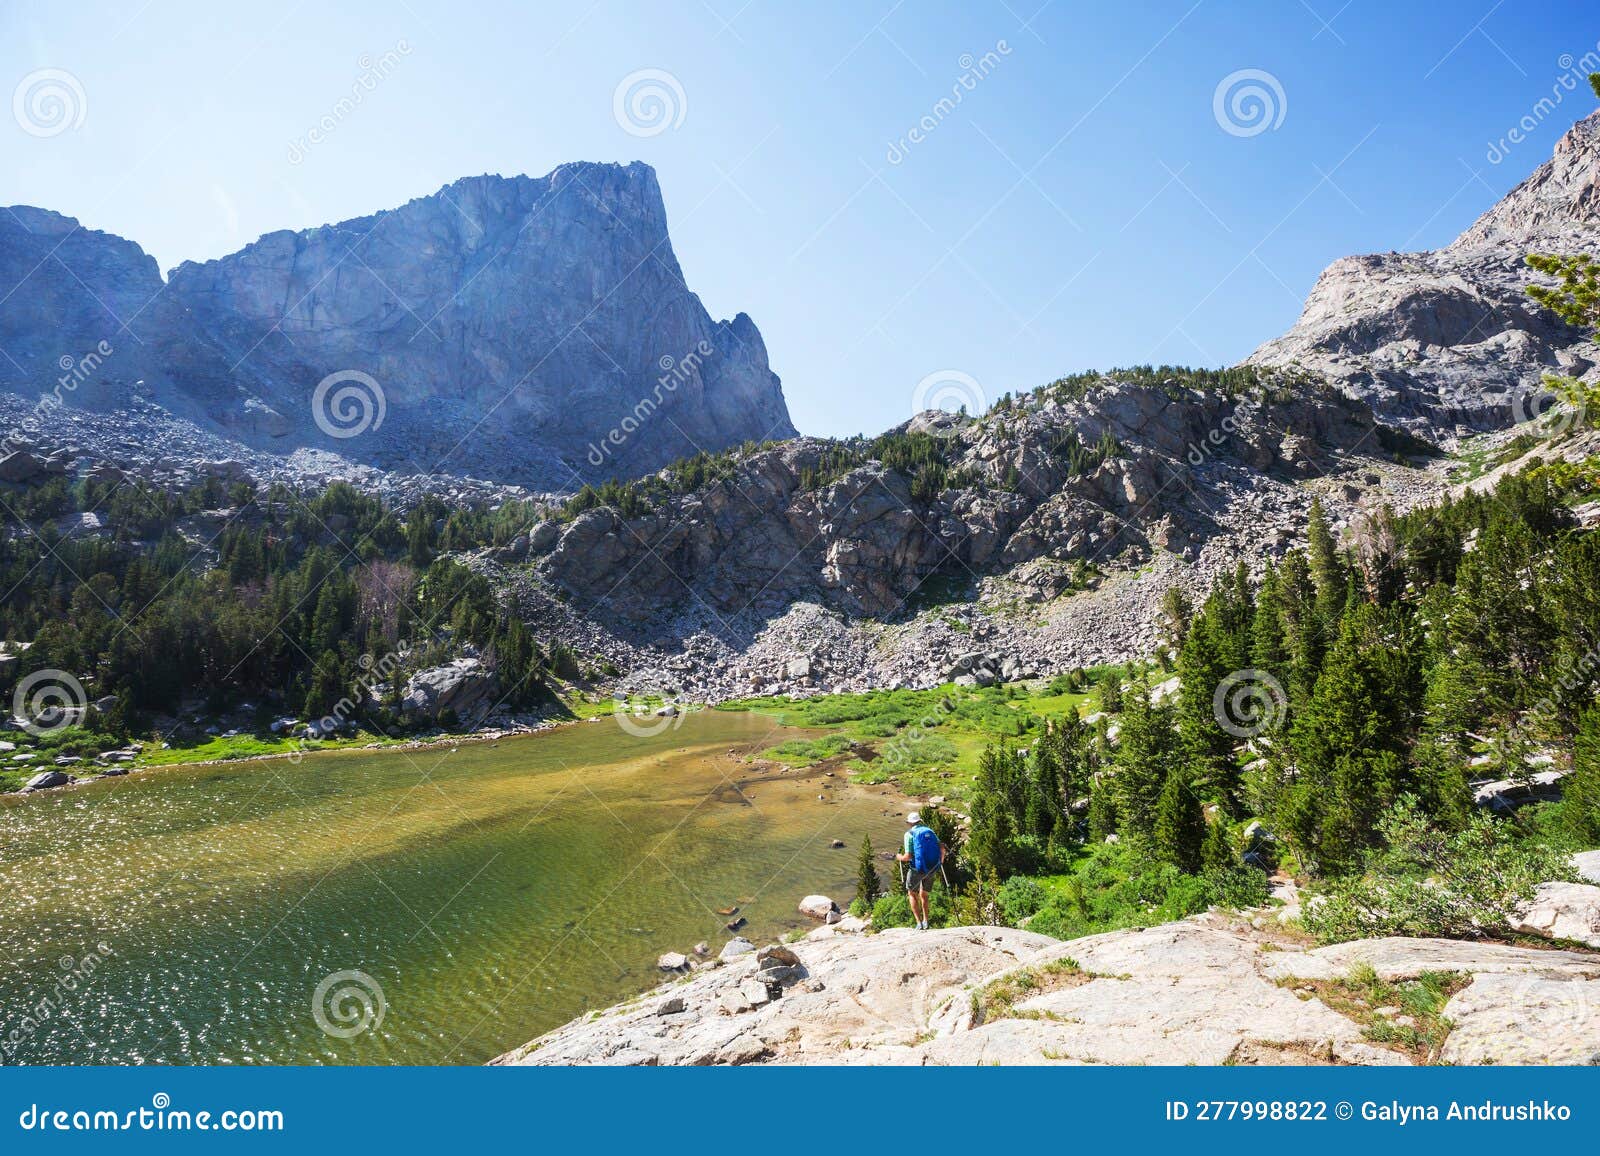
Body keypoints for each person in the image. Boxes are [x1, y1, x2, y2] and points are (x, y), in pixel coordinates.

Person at [896, 811, 945, 930]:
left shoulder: (909, 834)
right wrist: (940, 861)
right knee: (924, 894)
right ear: (920, 821)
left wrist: (899, 857)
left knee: (912, 893)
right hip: (932, 867)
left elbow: (907, 856)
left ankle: (919, 923)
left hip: (916, 869)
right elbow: (942, 847)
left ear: (909, 823)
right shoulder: (929, 831)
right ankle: (926, 921)